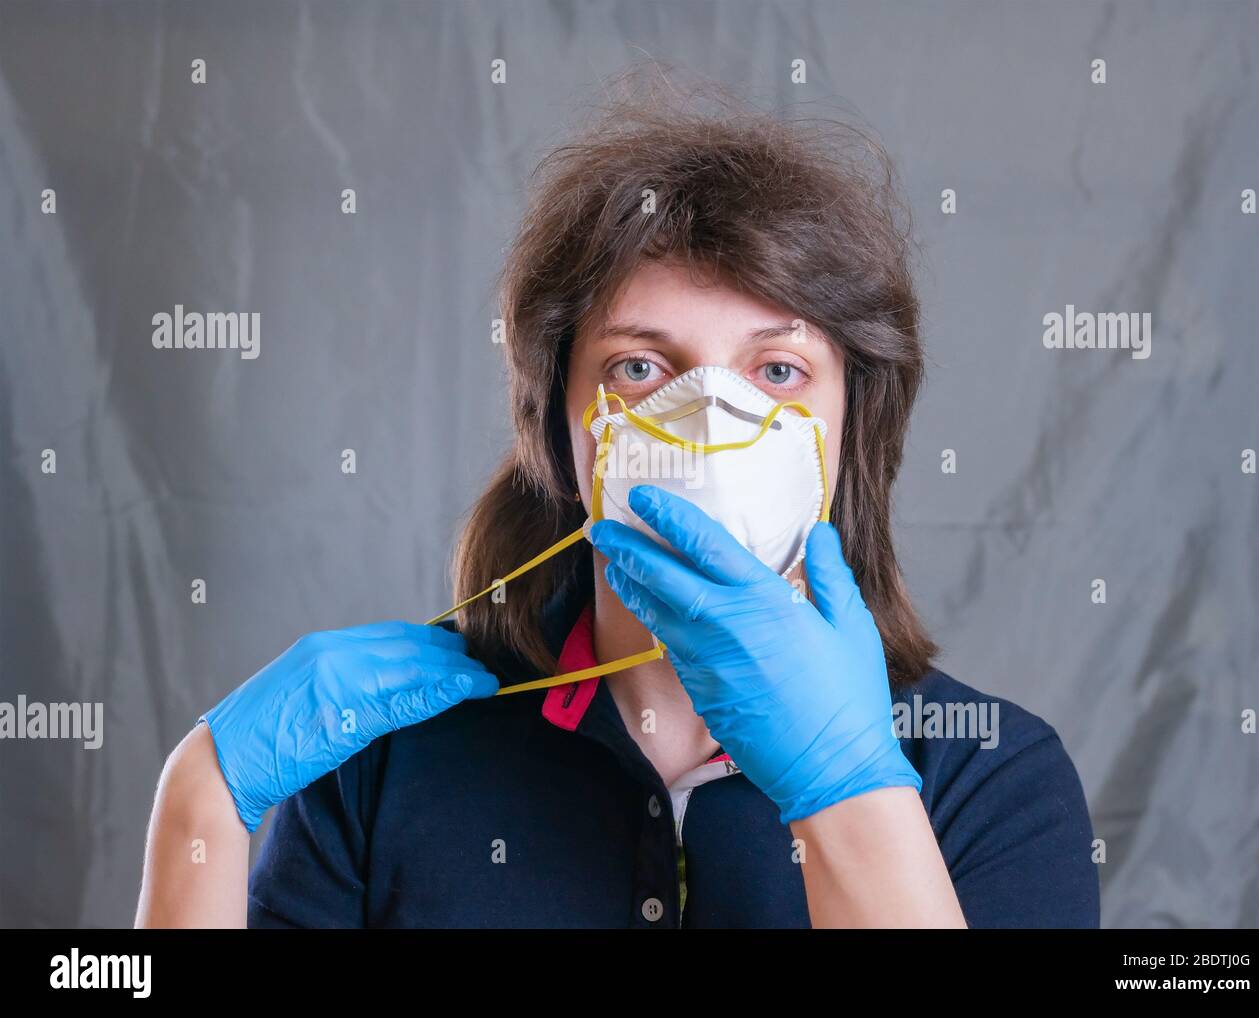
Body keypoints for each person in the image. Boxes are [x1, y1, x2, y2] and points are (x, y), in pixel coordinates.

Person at [135, 87, 1100, 929]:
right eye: (642, 367)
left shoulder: (992, 778)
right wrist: (199, 810)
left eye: (778, 369)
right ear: (559, 426)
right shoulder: (379, 769)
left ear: (855, 422)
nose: (716, 418)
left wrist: (850, 786)